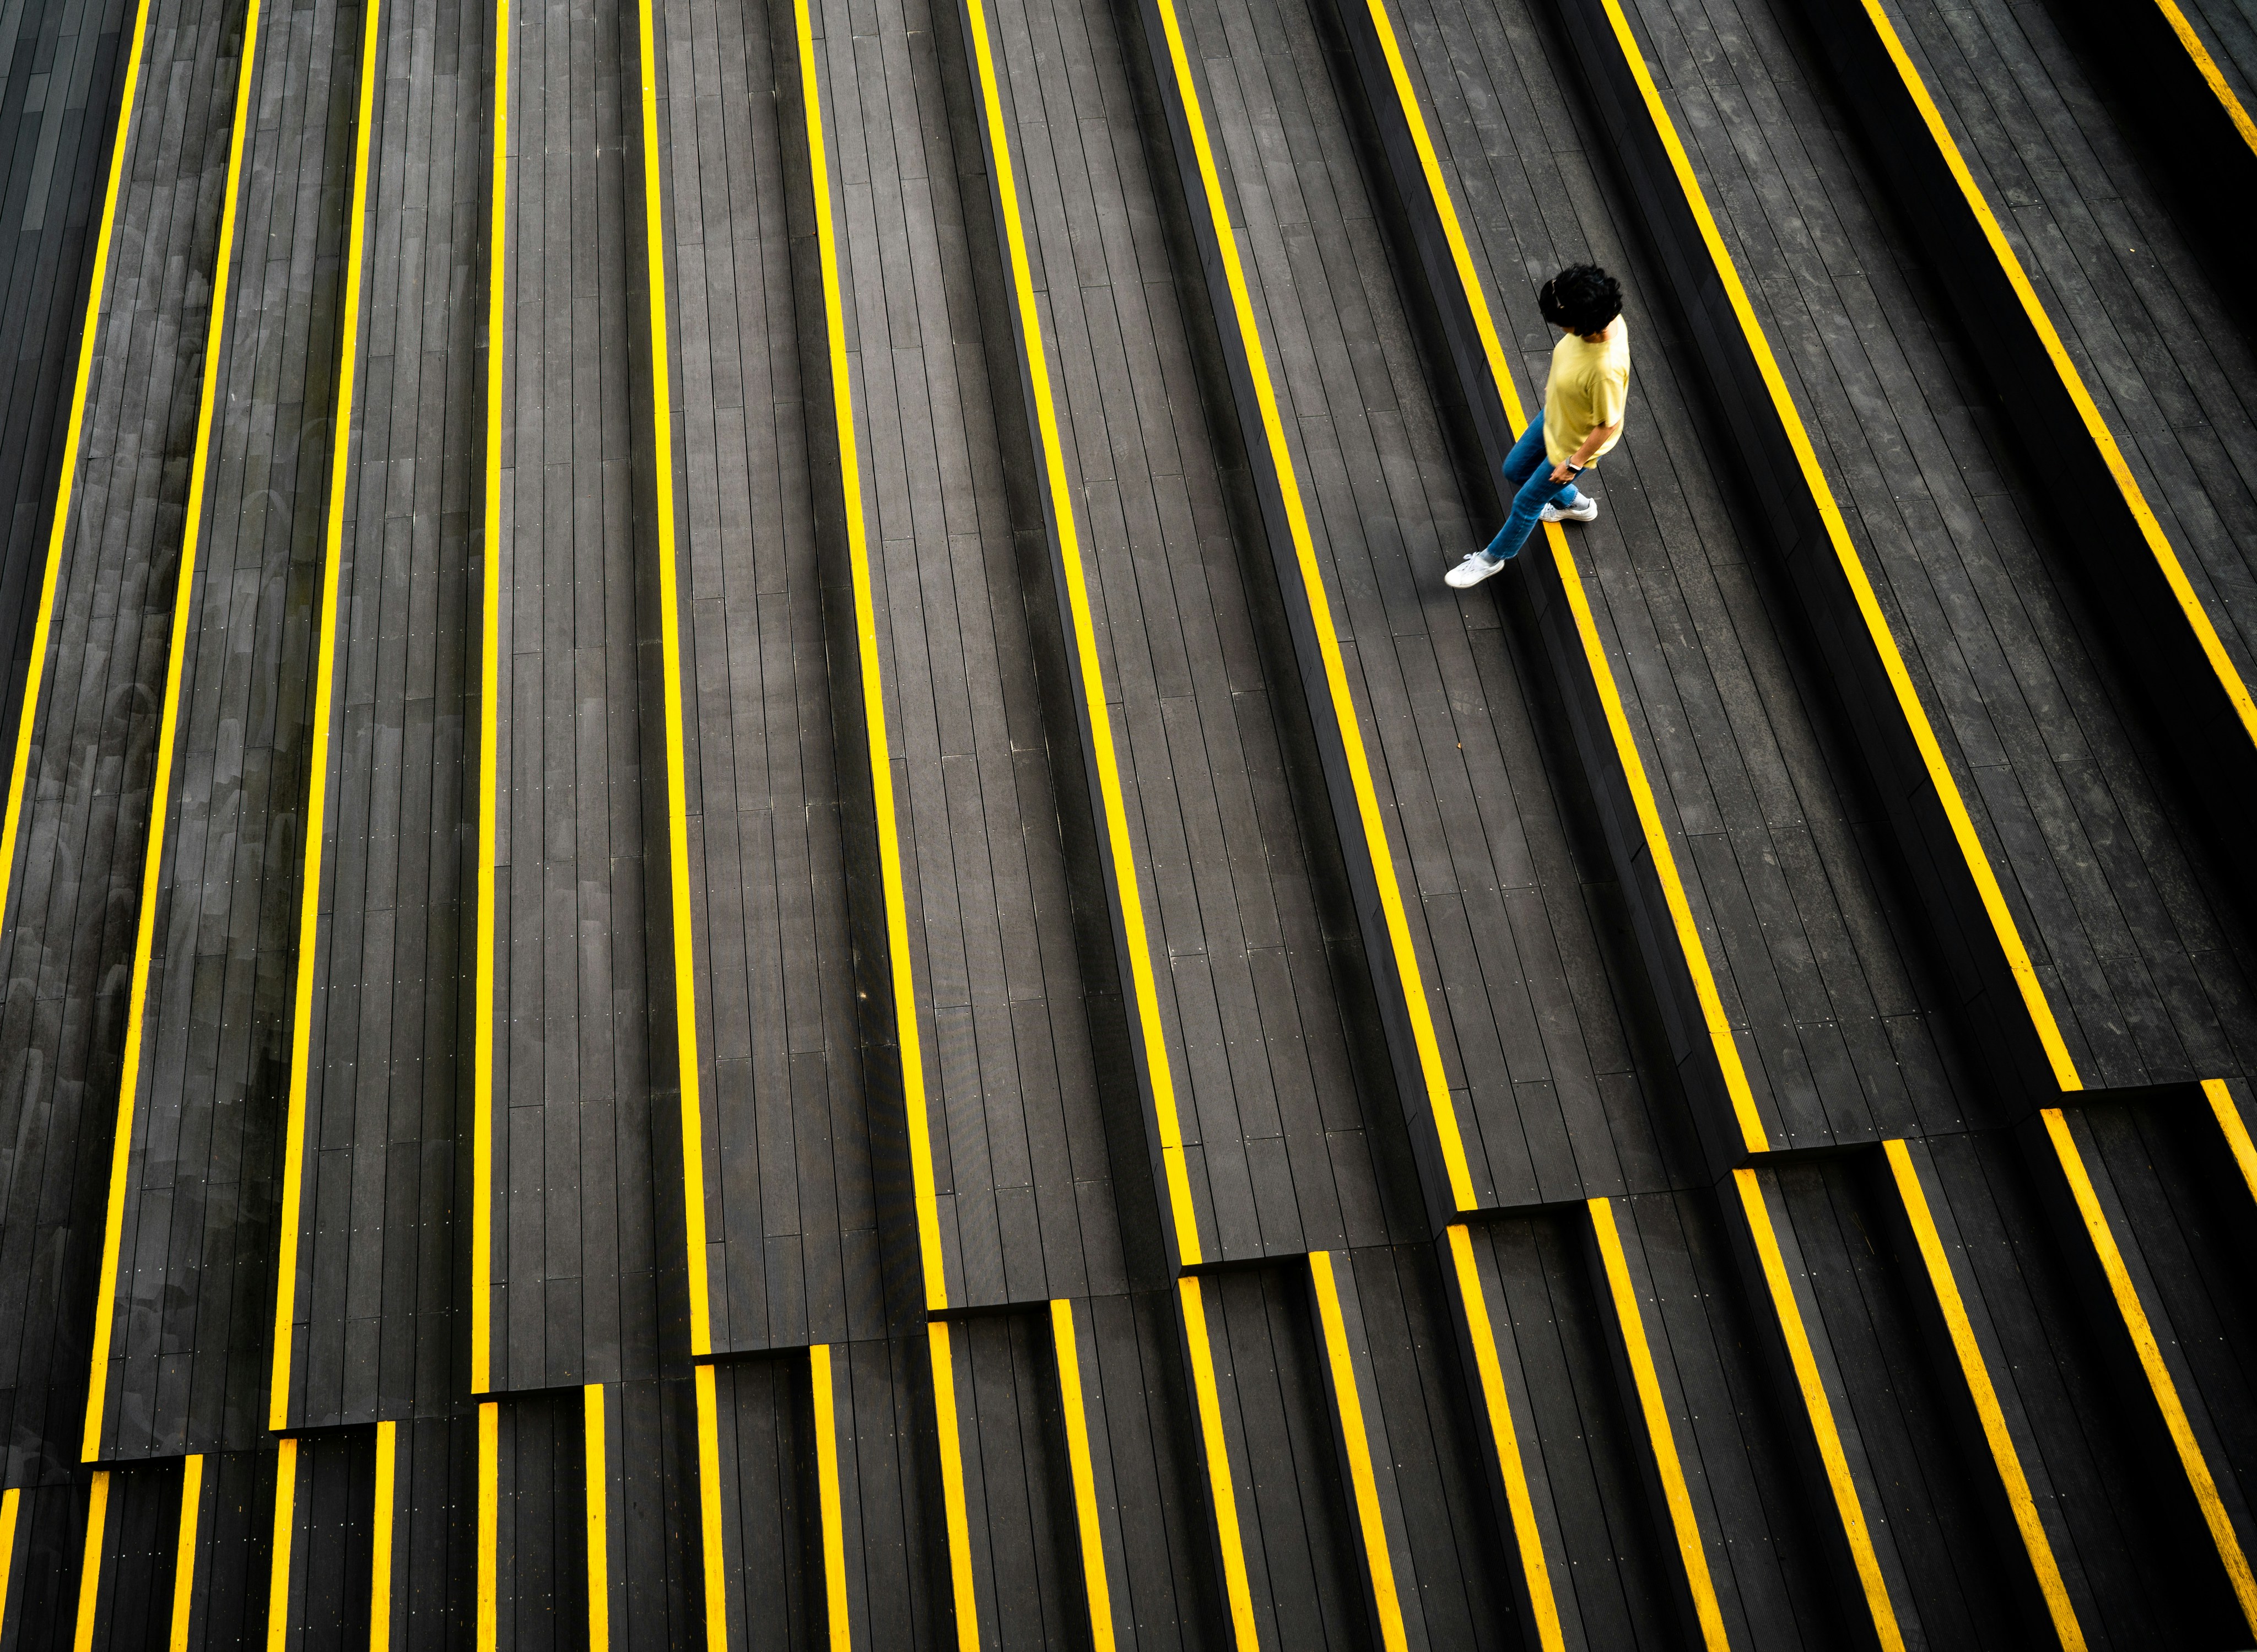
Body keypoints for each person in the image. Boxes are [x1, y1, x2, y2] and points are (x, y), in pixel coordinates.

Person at [1446, 264, 1630, 589]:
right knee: (1515, 470)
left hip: (1574, 444)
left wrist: (1573, 465)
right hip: (1557, 414)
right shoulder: (1605, 317)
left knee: (1527, 503)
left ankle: (1492, 559)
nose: (1559, 327)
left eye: (1562, 322)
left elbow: (1609, 424)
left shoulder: (1606, 368)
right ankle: (1577, 505)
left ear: (1584, 323)